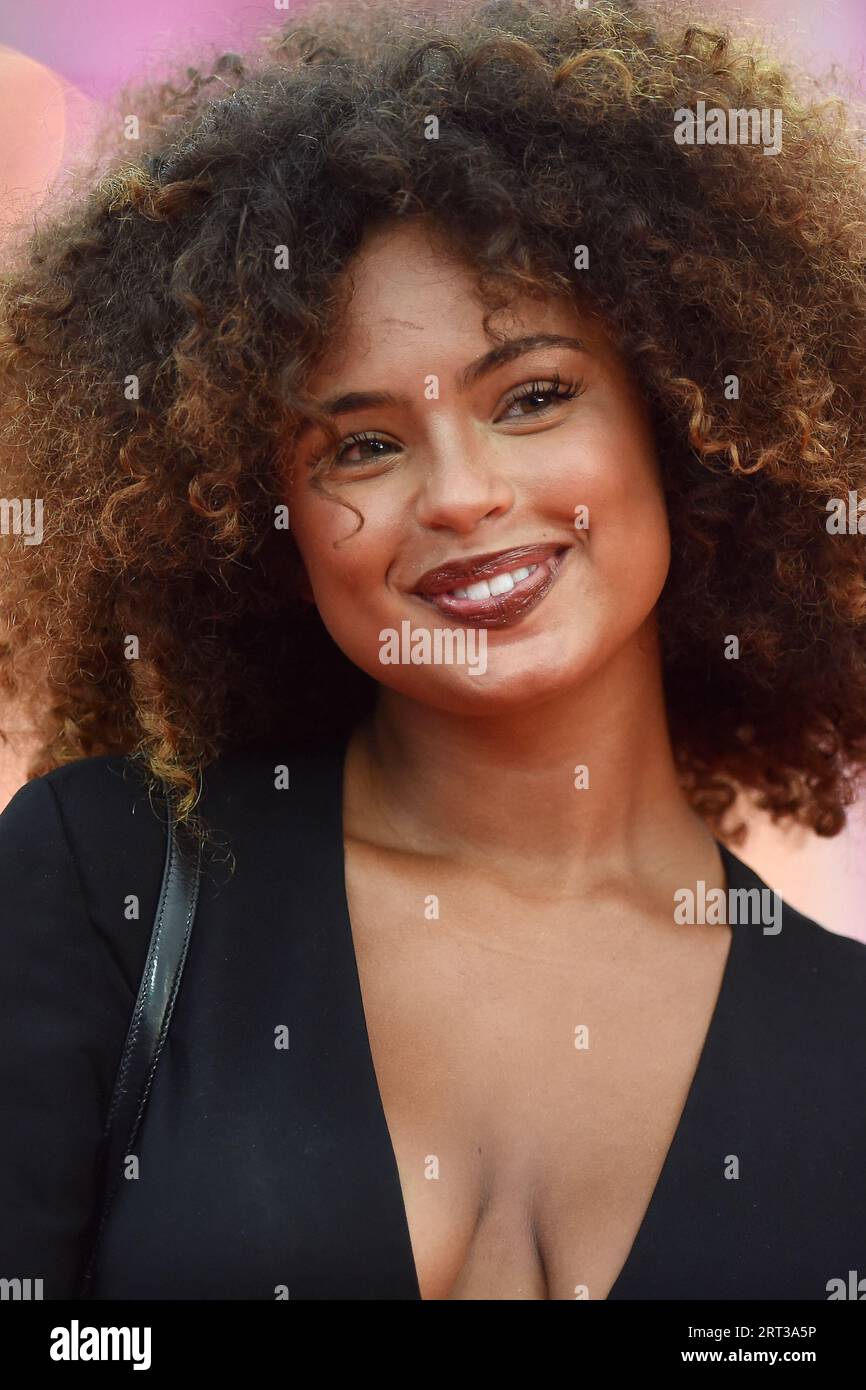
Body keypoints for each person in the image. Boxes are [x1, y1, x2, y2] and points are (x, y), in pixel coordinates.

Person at [1, 0, 865, 1301]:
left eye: (530, 396)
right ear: (260, 524)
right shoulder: (107, 881)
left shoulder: (846, 1042)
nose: (459, 494)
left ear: (673, 426)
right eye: (360, 443)